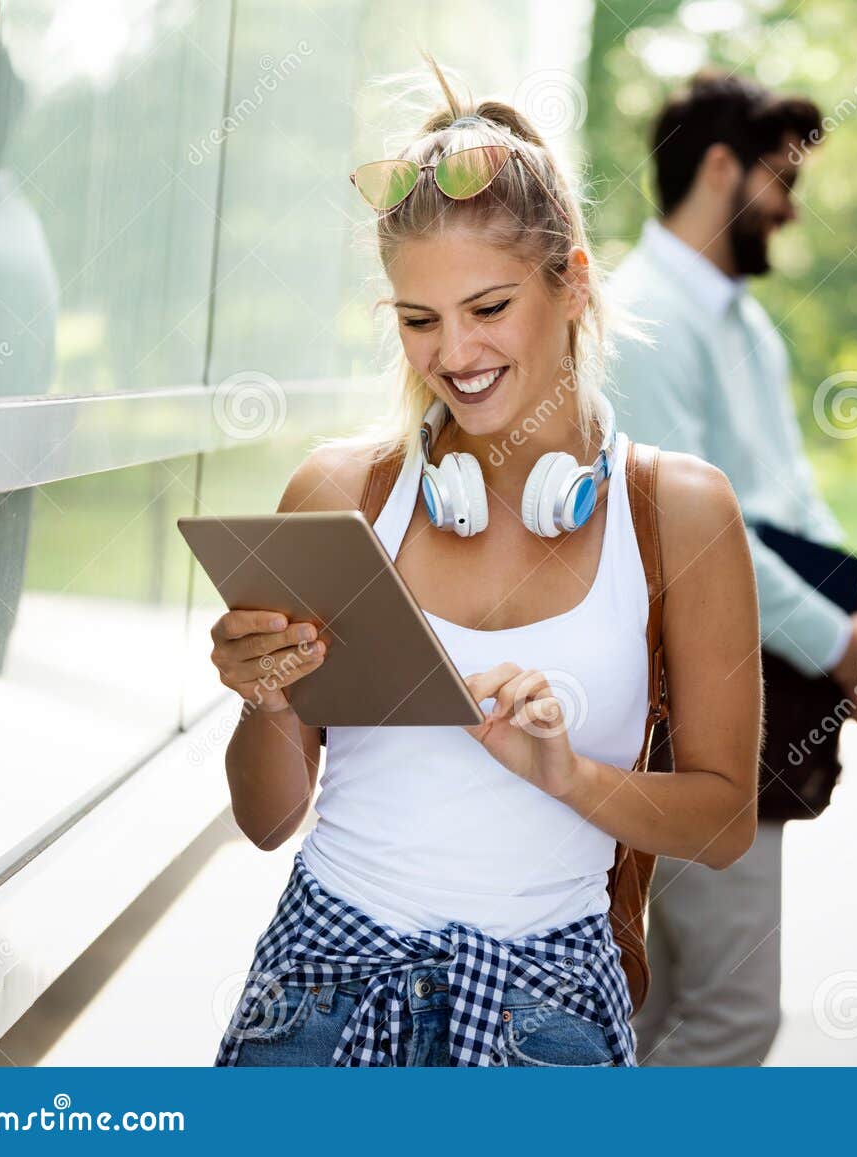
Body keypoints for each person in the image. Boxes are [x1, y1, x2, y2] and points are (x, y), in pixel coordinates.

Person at [208, 56, 762, 1068]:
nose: (453, 353)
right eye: (419, 320)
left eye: (488, 308)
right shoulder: (341, 493)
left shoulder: (679, 510)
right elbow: (265, 817)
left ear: (573, 286)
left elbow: (724, 818)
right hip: (317, 994)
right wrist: (266, 702)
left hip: (545, 1014)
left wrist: (567, 773)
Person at [607, 70, 857, 1067]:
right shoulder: (644, 315)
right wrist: (835, 643)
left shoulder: (746, 326)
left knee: (668, 1006)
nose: (789, 204)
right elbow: (695, 533)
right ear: (721, 165)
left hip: (754, 689)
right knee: (731, 1012)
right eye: (781, 178)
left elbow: (786, 500)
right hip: (690, 704)